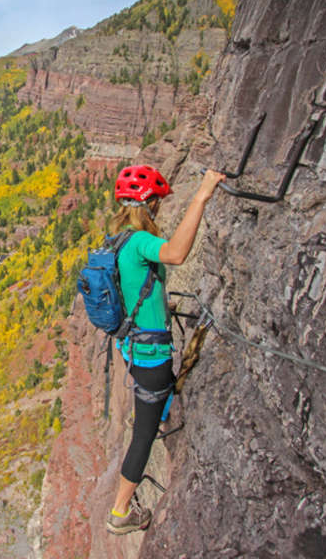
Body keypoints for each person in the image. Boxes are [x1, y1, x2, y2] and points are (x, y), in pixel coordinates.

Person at [106, 164, 225, 535]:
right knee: (143, 436)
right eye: (157, 201)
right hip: (150, 356)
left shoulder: (117, 241)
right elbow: (175, 253)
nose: (159, 207)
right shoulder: (141, 241)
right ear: (150, 204)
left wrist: (160, 308)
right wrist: (202, 195)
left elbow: (132, 290)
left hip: (132, 346)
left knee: (149, 411)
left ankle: (152, 412)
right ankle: (120, 511)